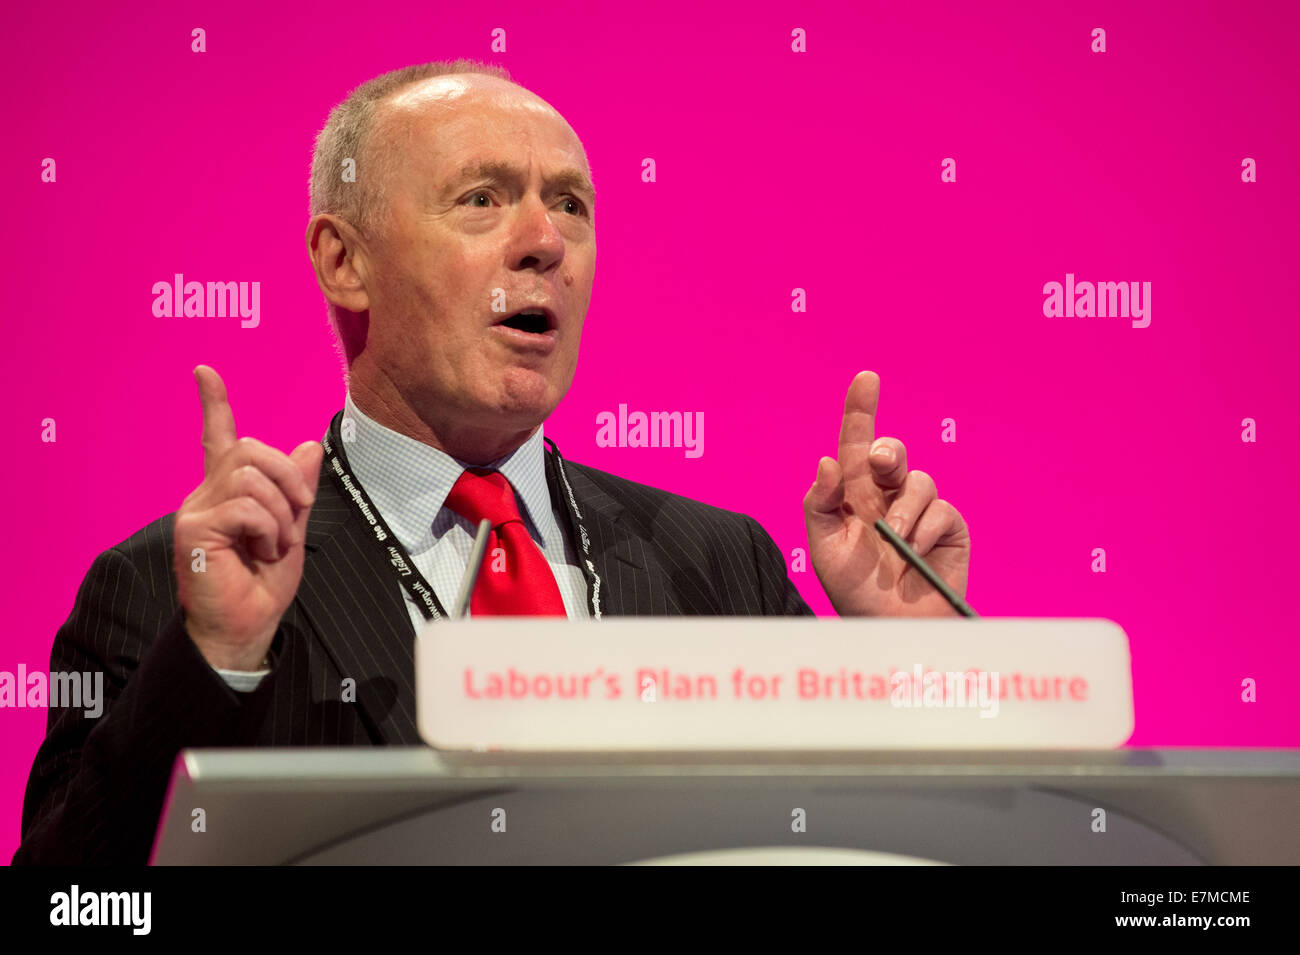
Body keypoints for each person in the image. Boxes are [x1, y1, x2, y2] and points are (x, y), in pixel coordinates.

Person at [12, 59, 971, 865]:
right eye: (482, 199)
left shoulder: (722, 567)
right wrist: (215, 660)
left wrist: (912, 668)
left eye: (571, 205)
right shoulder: (169, 588)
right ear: (346, 261)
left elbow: (893, 854)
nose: (546, 241)